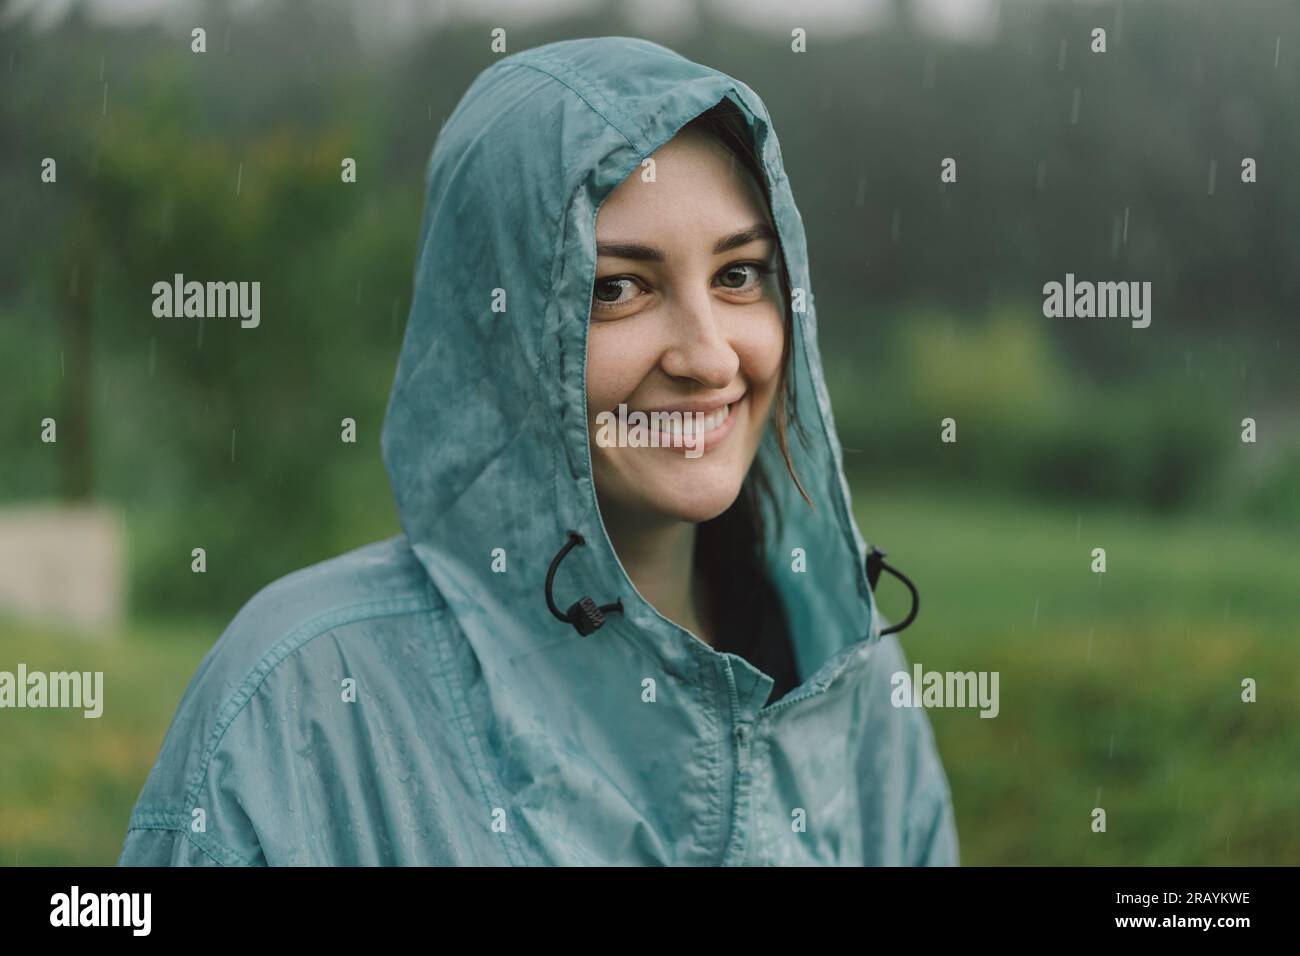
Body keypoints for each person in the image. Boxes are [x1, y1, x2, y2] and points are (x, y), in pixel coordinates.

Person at [118, 35, 959, 866]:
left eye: (739, 274)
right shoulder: (301, 703)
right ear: (498, 323)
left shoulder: (841, 670)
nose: (708, 357)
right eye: (617, 288)